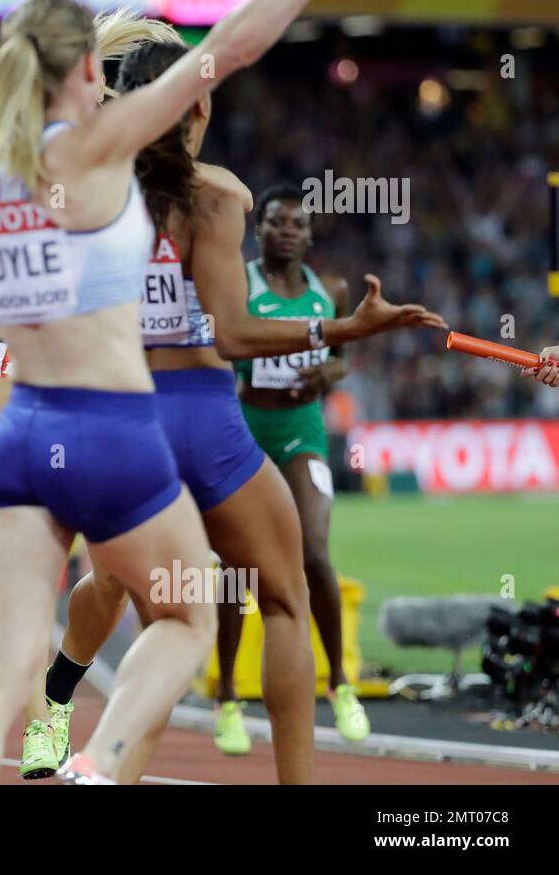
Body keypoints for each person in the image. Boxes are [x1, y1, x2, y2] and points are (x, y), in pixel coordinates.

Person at [0, 0, 397, 784]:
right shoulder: (106, 150)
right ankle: (100, 766)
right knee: (191, 615)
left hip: (17, 431)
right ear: (89, 70)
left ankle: (36, 741)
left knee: (2, 673)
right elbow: (232, 47)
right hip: (111, 422)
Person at [12, 43, 442, 782]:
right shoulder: (217, 194)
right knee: (282, 596)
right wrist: (345, 329)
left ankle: (98, 756)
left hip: (110, 421)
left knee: (161, 619)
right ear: (201, 104)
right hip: (201, 418)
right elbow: (235, 331)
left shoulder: (71, 188)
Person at [231, 184, 371, 746]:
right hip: (244, 431)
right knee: (235, 568)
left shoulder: (330, 290)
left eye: (297, 224)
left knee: (314, 553)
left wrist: (327, 374)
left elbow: (341, 358)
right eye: (276, 222)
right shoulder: (239, 284)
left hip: (302, 432)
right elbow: (223, 343)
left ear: (310, 235)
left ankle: (339, 684)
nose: (287, 231)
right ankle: (225, 703)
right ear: (258, 229)